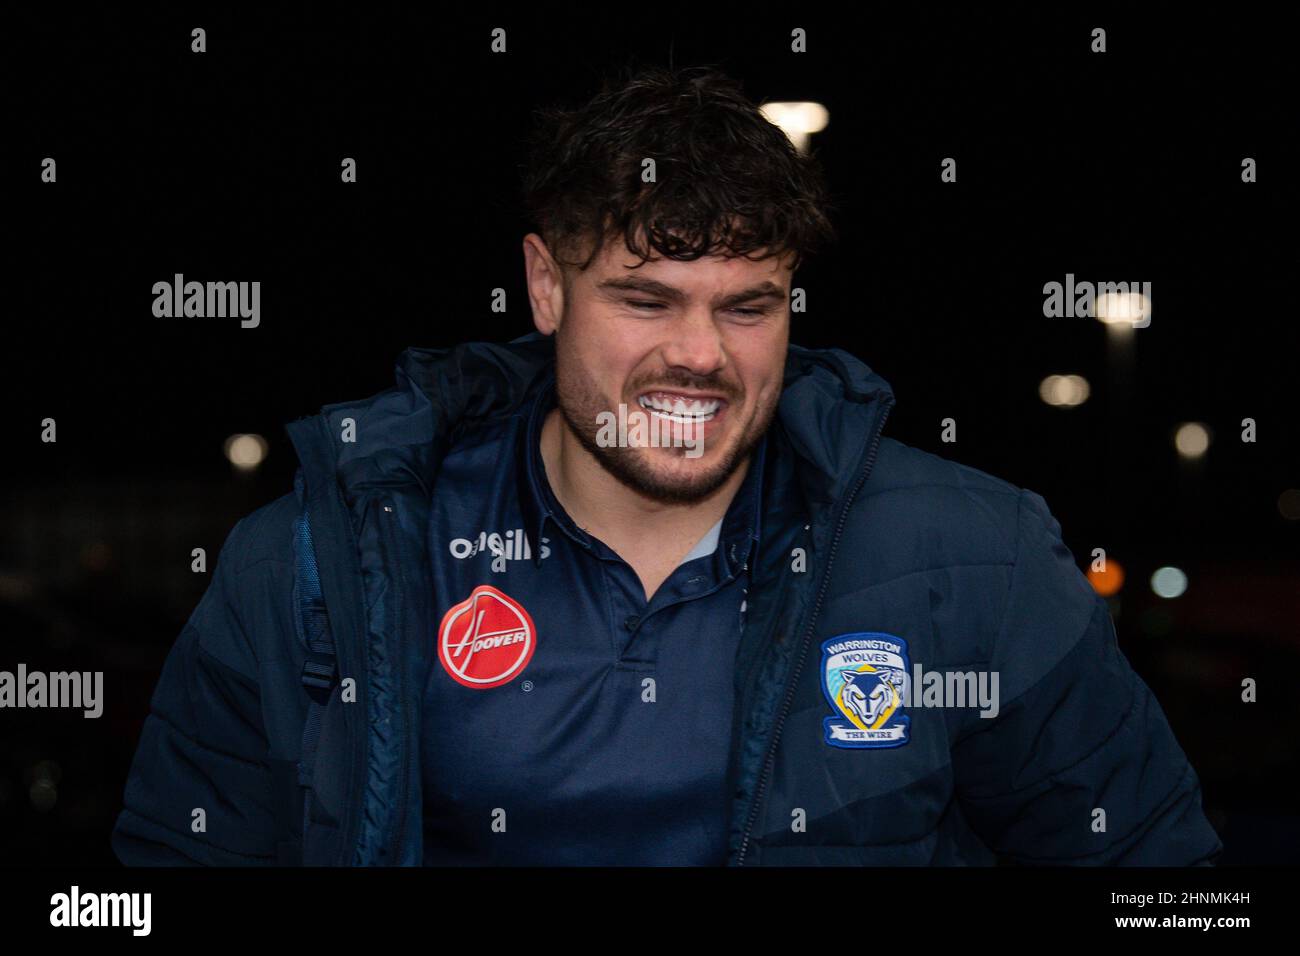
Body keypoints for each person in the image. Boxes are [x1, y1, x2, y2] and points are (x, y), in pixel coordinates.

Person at [112, 64, 1222, 866]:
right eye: (644, 299)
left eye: (747, 307)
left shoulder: (971, 560)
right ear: (545, 285)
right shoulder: (321, 562)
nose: (698, 355)